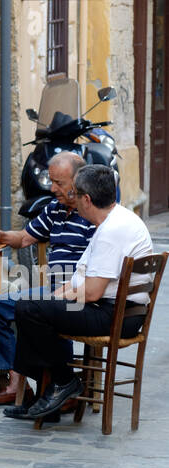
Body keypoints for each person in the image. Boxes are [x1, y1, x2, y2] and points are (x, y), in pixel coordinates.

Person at [9, 164, 154, 422]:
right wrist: (52, 300)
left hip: (115, 315)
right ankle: (49, 393)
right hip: (115, 310)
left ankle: (63, 382)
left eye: (75, 194)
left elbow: (93, 292)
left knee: (30, 308)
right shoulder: (113, 219)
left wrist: (51, 302)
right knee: (32, 304)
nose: (71, 199)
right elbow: (80, 276)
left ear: (87, 199)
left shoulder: (112, 230)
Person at [0, 151, 92, 407]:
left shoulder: (92, 214)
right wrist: (1, 235)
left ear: (78, 182)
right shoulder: (54, 208)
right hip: (50, 287)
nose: (52, 188)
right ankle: (16, 382)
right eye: (52, 181)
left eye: (59, 183)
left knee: (46, 312)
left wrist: (67, 289)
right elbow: (24, 238)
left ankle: (60, 385)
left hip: (76, 291)